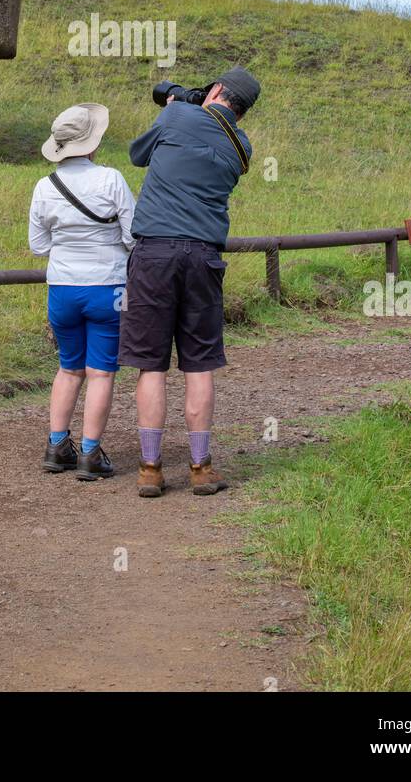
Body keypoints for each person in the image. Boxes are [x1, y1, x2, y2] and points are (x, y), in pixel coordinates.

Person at [119, 66, 260, 497]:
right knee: (199, 365)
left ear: (215, 90)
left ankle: (150, 468)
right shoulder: (243, 147)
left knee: (151, 365)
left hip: (155, 253)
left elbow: (136, 154)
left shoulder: (176, 116)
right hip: (204, 257)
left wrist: (177, 103)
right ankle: (200, 468)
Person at [29, 103, 136, 481]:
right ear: (93, 143)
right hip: (109, 288)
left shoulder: (45, 186)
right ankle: (91, 452)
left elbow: (38, 245)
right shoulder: (111, 179)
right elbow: (133, 235)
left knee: (68, 368)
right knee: (102, 373)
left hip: (61, 288)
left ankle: (57, 446)